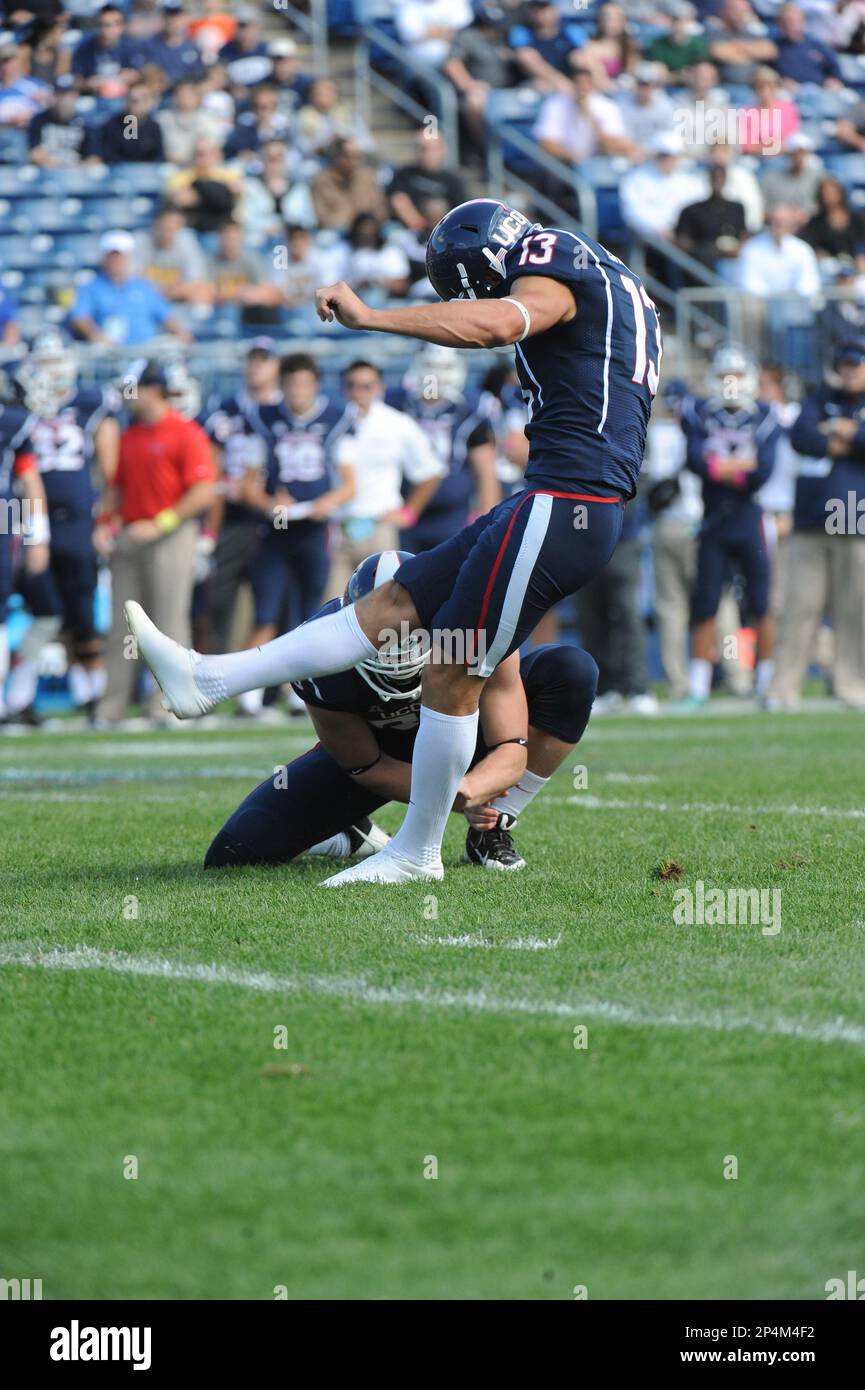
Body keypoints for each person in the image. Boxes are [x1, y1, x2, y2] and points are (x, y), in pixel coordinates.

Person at [126, 197, 661, 885]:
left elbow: (501, 321)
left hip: (568, 498)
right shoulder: (617, 281)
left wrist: (372, 317)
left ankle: (416, 852)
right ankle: (209, 678)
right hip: (555, 497)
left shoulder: (551, 255)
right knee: (392, 604)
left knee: (450, 665)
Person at [205, 549, 600, 874]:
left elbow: (511, 747)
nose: (394, 643)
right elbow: (369, 766)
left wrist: (472, 791)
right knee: (236, 850)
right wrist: (447, 792)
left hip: (468, 730)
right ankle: (352, 834)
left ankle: (494, 829)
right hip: (384, 753)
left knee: (570, 672)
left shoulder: (472, 621)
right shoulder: (320, 653)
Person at [96, 361, 216, 725]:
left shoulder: (184, 432)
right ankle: (111, 709)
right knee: (123, 626)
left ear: (151, 389)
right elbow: (116, 488)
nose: (126, 396)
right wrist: (104, 523)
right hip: (132, 535)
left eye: (132, 388)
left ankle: (167, 706)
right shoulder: (130, 435)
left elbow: (204, 491)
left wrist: (160, 523)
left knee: (168, 623)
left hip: (171, 535)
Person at [7, 332, 119, 721]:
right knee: (45, 610)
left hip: (77, 523)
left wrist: (104, 520)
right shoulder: (19, 409)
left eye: (56, 363)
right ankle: (21, 699)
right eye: (43, 364)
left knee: (81, 612)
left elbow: (109, 472)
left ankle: (92, 694)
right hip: (27, 523)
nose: (50, 373)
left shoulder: (89, 404)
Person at [236, 353, 355, 715]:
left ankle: (298, 694)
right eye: (292, 384)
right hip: (275, 531)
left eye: (304, 384)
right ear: (282, 386)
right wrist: (271, 503)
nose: (298, 391)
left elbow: (349, 483)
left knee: (311, 613)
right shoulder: (265, 419)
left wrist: (325, 502)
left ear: (315, 385)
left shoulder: (336, 418)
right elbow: (248, 485)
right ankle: (250, 695)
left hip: (315, 530)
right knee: (265, 612)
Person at [679, 345, 781, 708]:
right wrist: (740, 466)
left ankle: (767, 681)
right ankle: (698, 685)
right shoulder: (698, 411)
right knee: (705, 601)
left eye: (736, 376)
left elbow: (763, 472)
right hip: (713, 520)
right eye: (725, 376)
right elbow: (694, 461)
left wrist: (718, 465)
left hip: (749, 518)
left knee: (761, 602)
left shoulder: (765, 415)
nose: (730, 384)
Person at [768, 339, 865, 709]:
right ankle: (783, 688)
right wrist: (840, 437)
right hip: (812, 518)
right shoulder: (819, 398)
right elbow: (801, 437)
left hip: (855, 517)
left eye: (856, 365)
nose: (849, 372)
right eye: (844, 366)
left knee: (854, 609)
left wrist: (845, 432)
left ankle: (852, 684)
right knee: (799, 607)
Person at [327, 359, 445, 594]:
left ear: (380, 388)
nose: (358, 392)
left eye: (366, 386)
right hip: (340, 528)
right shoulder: (333, 423)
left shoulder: (397, 424)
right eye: (352, 385)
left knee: (380, 609)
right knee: (332, 610)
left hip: (379, 526)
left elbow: (431, 470)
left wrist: (409, 512)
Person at [201, 340, 280, 652]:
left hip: (274, 518)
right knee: (218, 597)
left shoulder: (284, 410)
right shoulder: (225, 408)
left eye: (264, 360)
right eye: (252, 360)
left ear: (276, 366)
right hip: (230, 515)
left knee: (272, 602)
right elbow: (209, 458)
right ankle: (213, 672)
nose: (256, 366)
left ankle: (272, 688)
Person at [394, 343, 500, 553]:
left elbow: (485, 470)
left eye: (444, 367)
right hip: (403, 512)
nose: (436, 374)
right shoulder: (397, 404)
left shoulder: (470, 409)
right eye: (430, 365)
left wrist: (489, 521)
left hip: (452, 518)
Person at [69, 230, 191, 346]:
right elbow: (80, 317)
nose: (117, 261)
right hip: (110, 356)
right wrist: (96, 336)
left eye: (121, 256)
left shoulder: (143, 287)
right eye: (113, 256)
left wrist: (181, 334)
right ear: (105, 258)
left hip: (145, 353)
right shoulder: (91, 288)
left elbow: (166, 316)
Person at [311, 137, 387, 232]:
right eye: (349, 157)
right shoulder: (321, 180)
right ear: (337, 157)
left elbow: (380, 207)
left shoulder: (367, 177)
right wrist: (348, 220)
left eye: (357, 157)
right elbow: (322, 217)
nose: (355, 162)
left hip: (370, 230)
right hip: (338, 232)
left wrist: (370, 222)